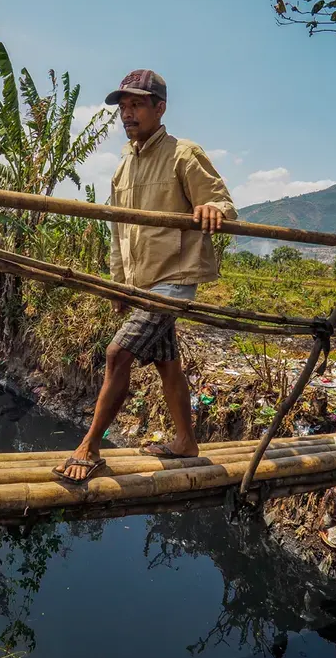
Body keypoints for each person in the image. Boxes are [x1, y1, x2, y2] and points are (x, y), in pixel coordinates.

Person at [54, 69, 236, 483]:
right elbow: (119, 229)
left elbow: (220, 200)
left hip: (175, 276)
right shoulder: (123, 165)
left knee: (119, 353)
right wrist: (120, 283)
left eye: (136, 104)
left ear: (160, 107)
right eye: (123, 106)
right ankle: (186, 441)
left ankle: (89, 446)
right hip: (141, 280)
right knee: (166, 363)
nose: (127, 113)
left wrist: (214, 211)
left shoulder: (183, 154)